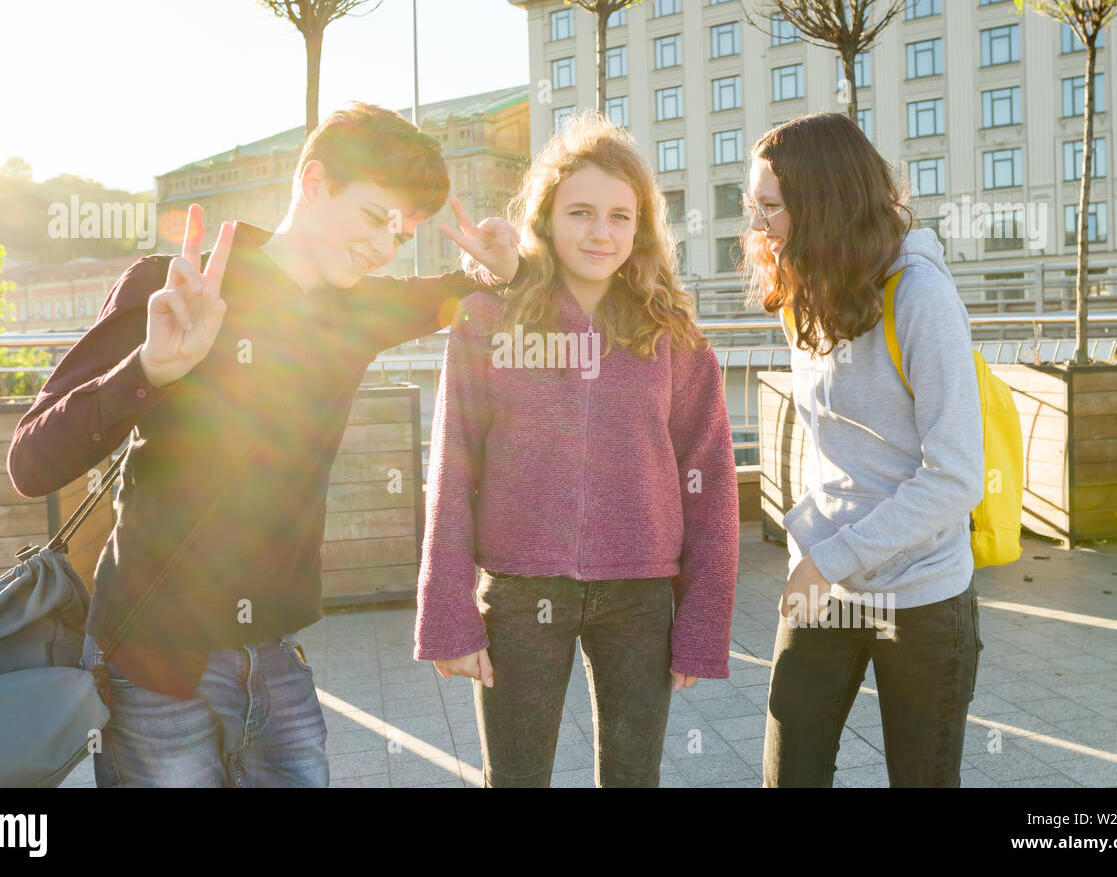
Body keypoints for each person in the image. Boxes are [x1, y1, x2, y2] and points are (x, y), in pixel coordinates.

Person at [6, 102, 522, 787]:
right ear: (313, 183)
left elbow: (472, 288)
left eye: (400, 234)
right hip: (154, 660)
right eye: (373, 217)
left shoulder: (358, 311)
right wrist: (150, 371)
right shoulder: (175, 285)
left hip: (277, 660)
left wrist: (501, 268)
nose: (383, 246)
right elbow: (30, 462)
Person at [413, 112, 739, 787]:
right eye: (582, 211)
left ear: (643, 227)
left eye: (622, 216)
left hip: (641, 595)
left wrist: (703, 619)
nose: (602, 232)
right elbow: (450, 467)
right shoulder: (488, 319)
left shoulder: (671, 334)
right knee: (517, 779)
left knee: (632, 779)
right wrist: (449, 614)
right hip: (520, 590)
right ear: (547, 218)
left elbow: (710, 480)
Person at [742, 112, 985, 788]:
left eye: (771, 207)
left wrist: (831, 560)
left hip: (921, 595)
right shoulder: (804, 290)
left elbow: (958, 477)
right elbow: (831, 444)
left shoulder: (921, 295)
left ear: (824, 205)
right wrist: (810, 550)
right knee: (790, 777)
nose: (756, 226)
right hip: (825, 580)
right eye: (751, 206)